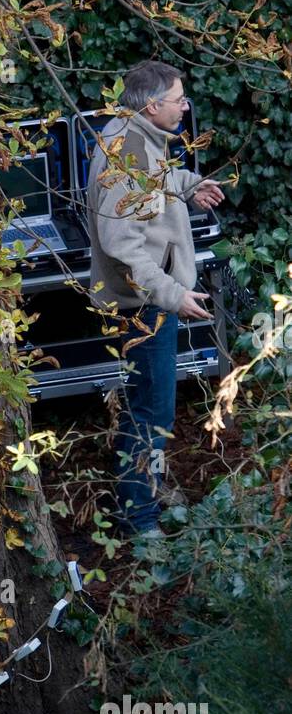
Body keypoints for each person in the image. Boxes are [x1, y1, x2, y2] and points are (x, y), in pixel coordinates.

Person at [86, 60, 224, 537]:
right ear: (151, 105)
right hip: (142, 306)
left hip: (151, 302)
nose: (185, 107)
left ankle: (145, 494)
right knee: (152, 411)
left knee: (146, 407)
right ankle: (139, 522)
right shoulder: (128, 151)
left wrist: (190, 185)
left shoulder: (139, 137)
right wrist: (171, 294)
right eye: (178, 100)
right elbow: (121, 245)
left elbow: (157, 183)